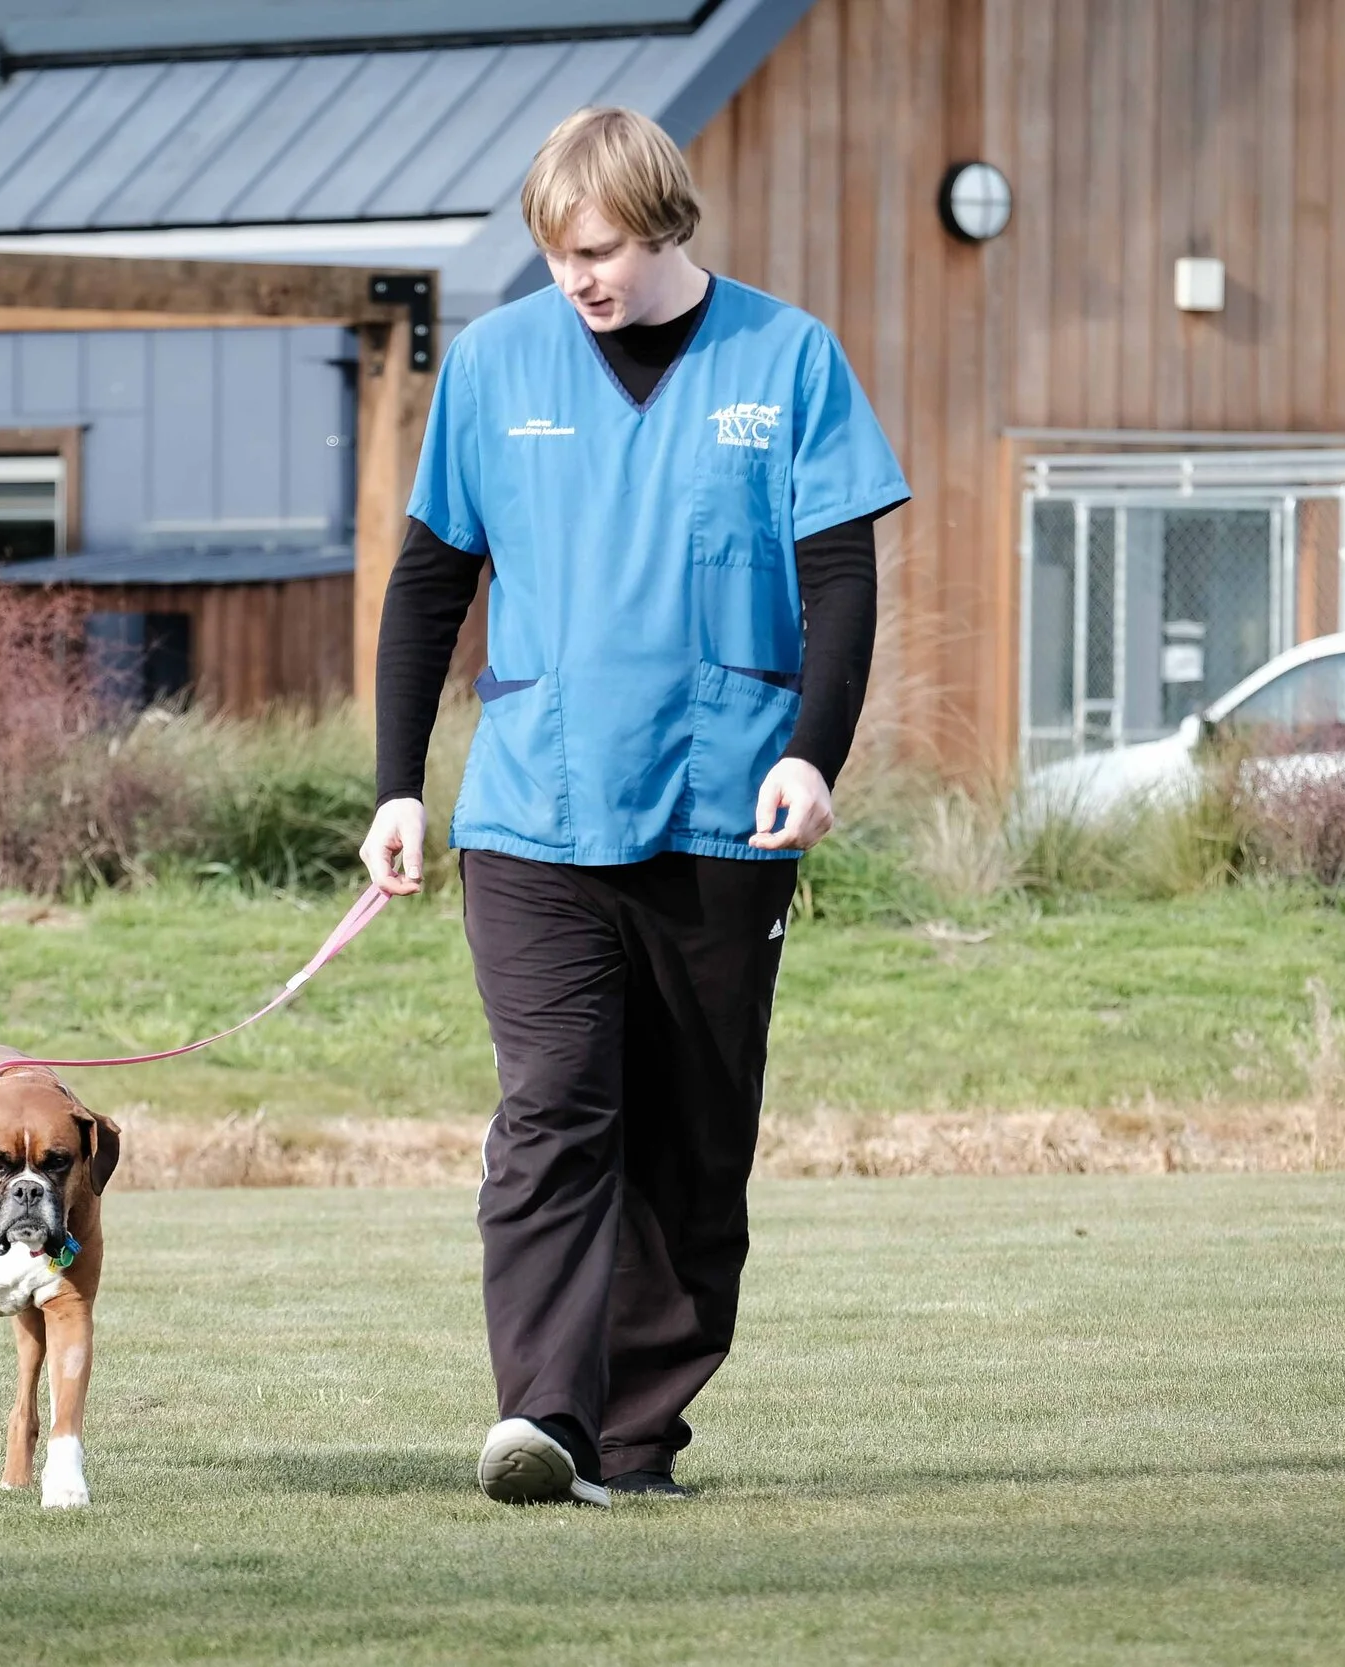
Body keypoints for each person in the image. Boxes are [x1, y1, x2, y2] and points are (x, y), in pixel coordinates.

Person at [358, 106, 909, 1504]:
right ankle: (545, 1419)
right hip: (532, 811)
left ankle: (637, 1438)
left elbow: (841, 582)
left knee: (694, 1144)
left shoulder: (788, 359)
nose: (578, 279)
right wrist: (398, 786)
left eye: (599, 250)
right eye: (557, 254)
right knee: (553, 1111)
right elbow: (428, 586)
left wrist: (813, 755)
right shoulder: (494, 364)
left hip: (727, 812)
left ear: (666, 224)